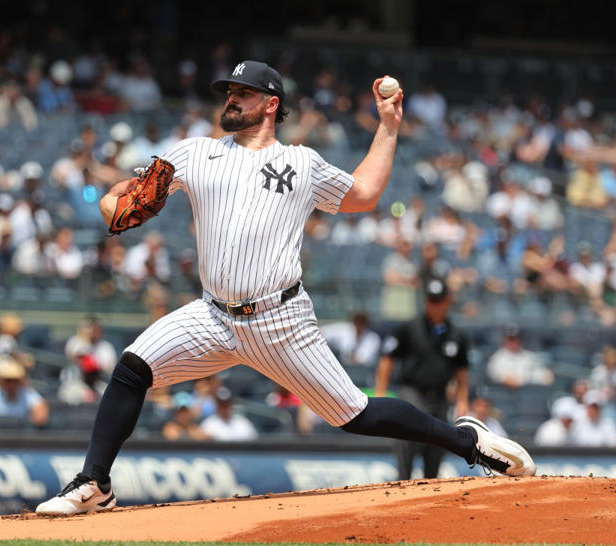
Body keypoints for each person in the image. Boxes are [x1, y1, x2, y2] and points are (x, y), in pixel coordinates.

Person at [36, 60, 535, 515]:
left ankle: (468, 442)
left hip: (282, 321)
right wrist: (115, 202)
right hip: (213, 317)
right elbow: (120, 205)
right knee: (132, 367)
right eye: (228, 91)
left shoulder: (303, 162)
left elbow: (363, 195)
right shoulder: (193, 152)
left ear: (271, 104)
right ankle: (94, 483)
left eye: (243, 92)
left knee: (355, 414)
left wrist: (388, 126)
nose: (230, 99)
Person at [374, 277, 471, 480]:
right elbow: (387, 358)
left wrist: (462, 400)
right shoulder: (409, 328)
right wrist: (381, 392)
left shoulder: (455, 334)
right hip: (413, 391)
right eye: (431, 300)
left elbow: (462, 370)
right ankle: (403, 482)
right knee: (407, 434)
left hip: (440, 395)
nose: (434, 305)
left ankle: (430, 488)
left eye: (438, 300)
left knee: (438, 443)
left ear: (447, 301)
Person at [486, 323, 554, 388]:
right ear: (505, 340)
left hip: (529, 393)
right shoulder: (497, 359)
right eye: (511, 339)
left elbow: (547, 377)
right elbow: (508, 381)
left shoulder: (529, 356)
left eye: (516, 338)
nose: (514, 342)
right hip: (507, 396)